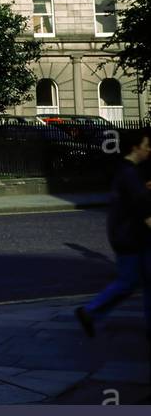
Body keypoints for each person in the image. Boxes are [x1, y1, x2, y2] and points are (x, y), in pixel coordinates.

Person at [75, 127, 151, 360]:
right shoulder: (129, 174)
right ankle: (90, 312)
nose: (149, 150)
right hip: (132, 237)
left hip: (127, 236)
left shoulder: (129, 171)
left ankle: (91, 312)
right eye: (147, 145)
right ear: (135, 147)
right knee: (132, 281)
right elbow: (142, 207)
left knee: (138, 281)